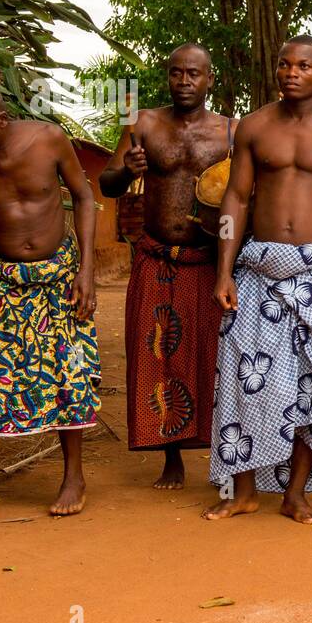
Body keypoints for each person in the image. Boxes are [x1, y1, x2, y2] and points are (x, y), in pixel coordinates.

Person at [203, 35, 312, 524]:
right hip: (258, 271)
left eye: (303, 66)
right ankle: (244, 490)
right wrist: (224, 269)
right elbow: (235, 199)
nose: (291, 73)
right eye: (284, 64)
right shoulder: (255, 127)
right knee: (241, 379)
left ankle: (295, 493)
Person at [0, 79, 100, 525]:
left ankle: (73, 477)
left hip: (58, 276)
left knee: (69, 371)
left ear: (1, 121)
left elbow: (84, 197)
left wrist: (85, 270)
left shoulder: (48, 140)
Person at [99, 44, 236, 489]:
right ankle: (171, 456)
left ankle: (224, 456)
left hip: (209, 260)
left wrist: (231, 264)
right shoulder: (143, 124)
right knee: (160, 356)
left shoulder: (231, 133)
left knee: (215, 357)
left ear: (209, 80)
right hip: (156, 257)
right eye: (176, 72)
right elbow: (107, 182)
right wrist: (127, 170)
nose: (184, 81)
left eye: (194, 74)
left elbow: (245, 197)